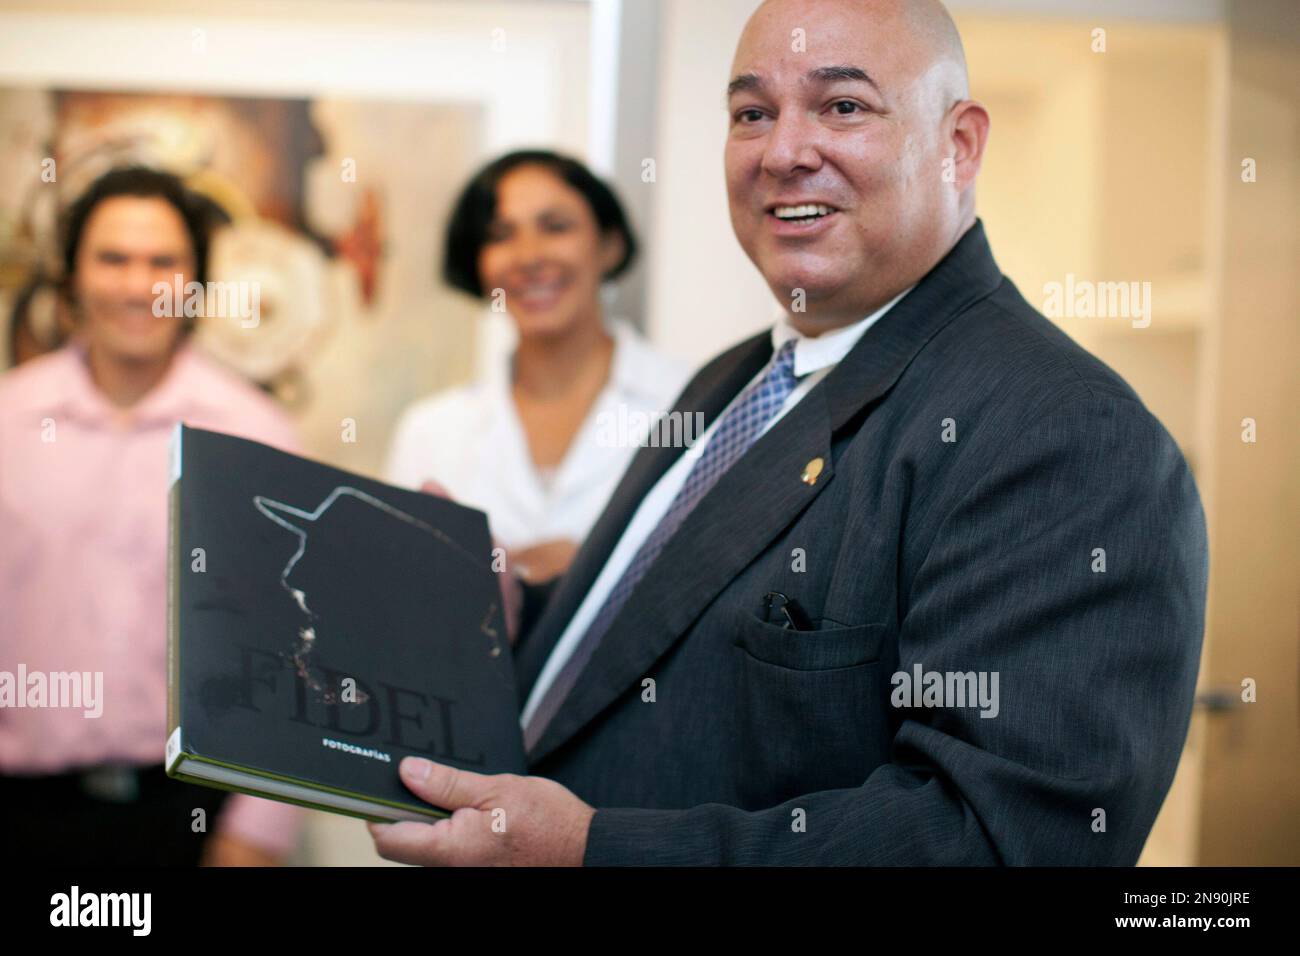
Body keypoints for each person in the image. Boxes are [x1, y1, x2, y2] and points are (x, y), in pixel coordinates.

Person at [367, 0, 1208, 866]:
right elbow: (666, 642)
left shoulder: (1064, 433)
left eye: (843, 106)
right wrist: (515, 616)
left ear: (959, 145)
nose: (782, 152)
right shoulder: (738, 376)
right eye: (752, 114)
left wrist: (591, 849)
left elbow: (999, 841)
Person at [0, 166, 306, 866]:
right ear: (71, 274)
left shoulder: (255, 435)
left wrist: (256, 835)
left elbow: (295, 657)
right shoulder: (8, 422)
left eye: (163, 261)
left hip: (194, 819)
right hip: (20, 813)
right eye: (113, 259)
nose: (139, 286)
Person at [385, 150, 691, 583]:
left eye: (556, 227)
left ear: (609, 244)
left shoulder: (695, 403)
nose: (528, 257)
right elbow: (398, 592)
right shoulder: (429, 431)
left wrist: (598, 569)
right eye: (499, 234)